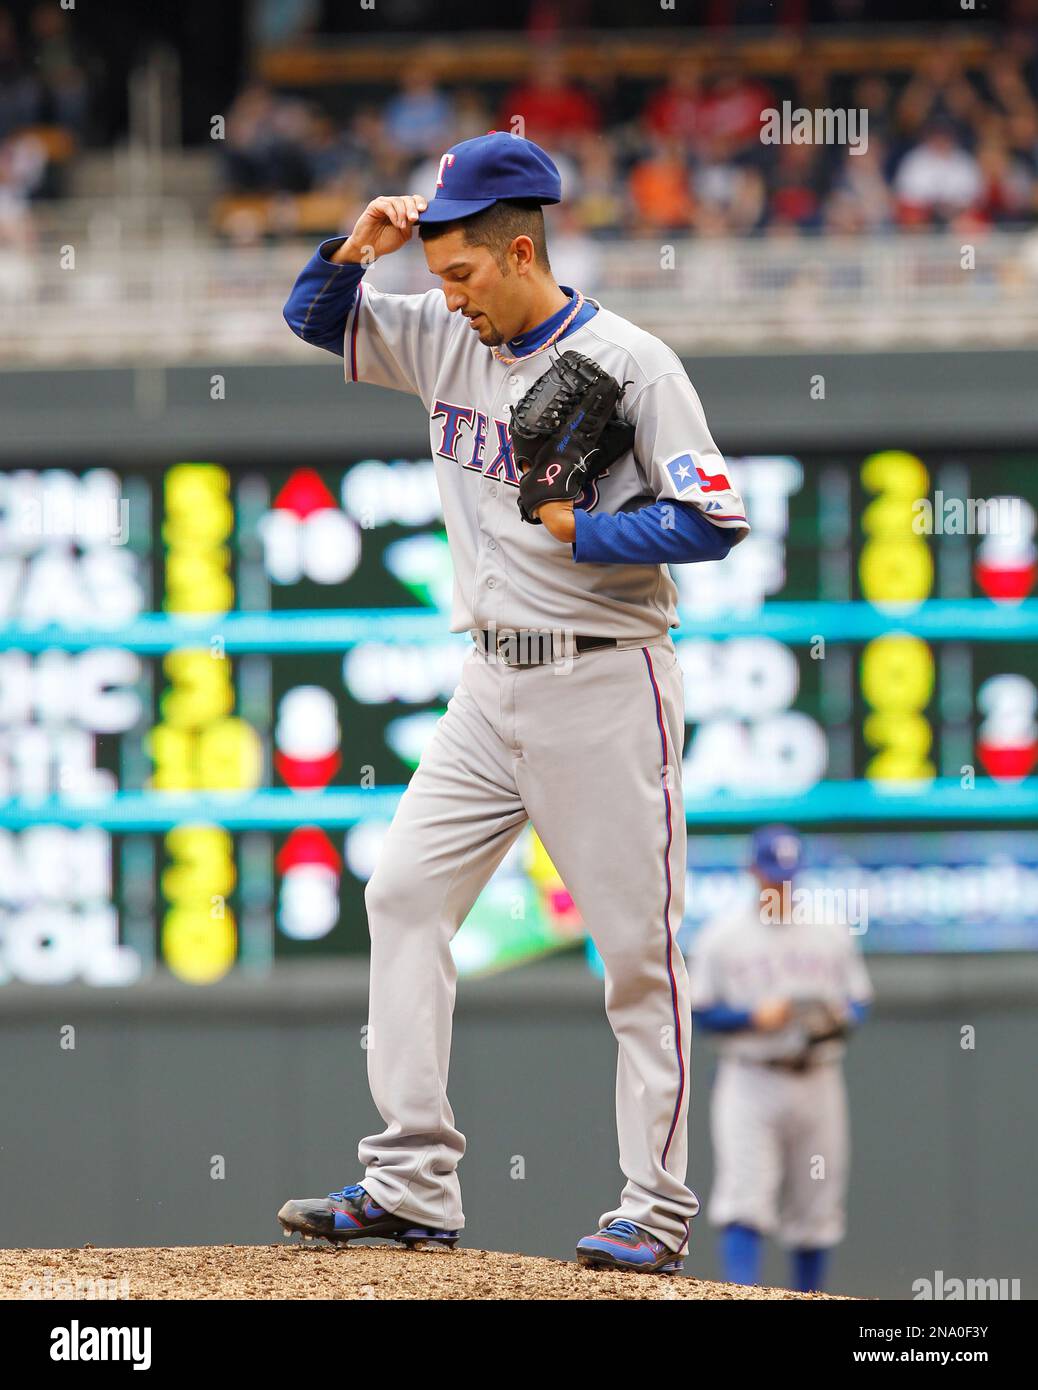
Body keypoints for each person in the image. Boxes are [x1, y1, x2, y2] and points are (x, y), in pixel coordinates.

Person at [277, 131, 749, 1275]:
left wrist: (588, 528)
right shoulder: (447, 335)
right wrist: (359, 245)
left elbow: (716, 520)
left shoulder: (633, 364)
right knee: (401, 896)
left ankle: (656, 1204)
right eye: (434, 275)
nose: (442, 297)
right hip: (489, 684)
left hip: (603, 675)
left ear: (519, 249)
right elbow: (312, 318)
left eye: (459, 273)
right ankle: (411, 1179)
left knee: (638, 957)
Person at [687, 825, 873, 1292]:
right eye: (772, 876)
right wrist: (751, 1017)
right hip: (751, 1077)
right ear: (753, 871)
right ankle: (742, 1294)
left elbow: (859, 1000)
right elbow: (699, 1012)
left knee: (817, 1206)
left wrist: (838, 1016)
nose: (781, 886)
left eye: (787, 877)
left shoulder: (829, 930)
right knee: (745, 1198)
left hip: (818, 1076)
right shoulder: (723, 935)